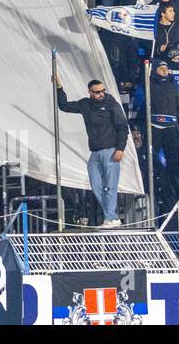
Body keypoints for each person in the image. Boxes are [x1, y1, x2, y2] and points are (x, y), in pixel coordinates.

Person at [54, 71, 130, 227]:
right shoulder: (85, 104)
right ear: (90, 92)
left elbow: (123, 126)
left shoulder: (111, 104)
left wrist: (120, 149)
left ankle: (110, 217)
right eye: (97, 92)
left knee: (111, 185)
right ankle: (111, 216)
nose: (101, 94)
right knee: (96, 186)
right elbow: (64, 106)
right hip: (95, 151)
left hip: (111, 149)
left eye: (103, 91)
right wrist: (60, 87)